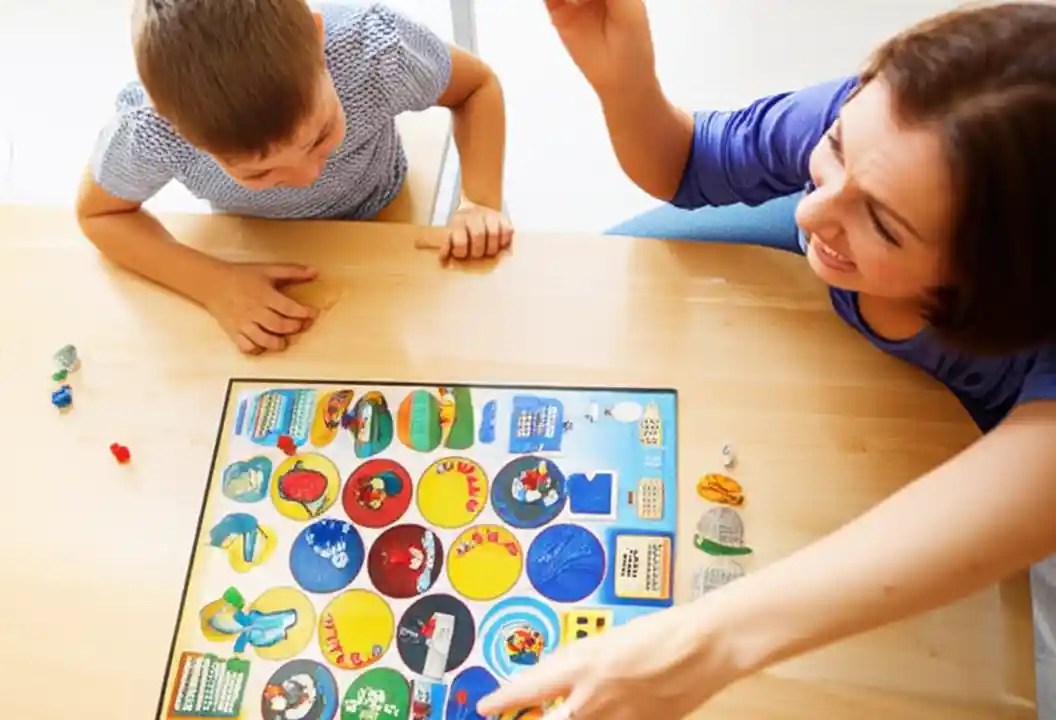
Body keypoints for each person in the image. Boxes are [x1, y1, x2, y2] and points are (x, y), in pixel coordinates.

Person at [479, 2, 1056, 718]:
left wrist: (701, 644)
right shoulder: (874, 129)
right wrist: (625, 80)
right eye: (837, 147)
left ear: (996, 281)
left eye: (882, 222)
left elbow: (1028, 491)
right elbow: (687, 164)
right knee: (624, 257)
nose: (810, 211)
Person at [76, 0, 510, 354]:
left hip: (381, 208)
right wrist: (211, 283)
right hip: (260, 243)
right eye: (261, 171)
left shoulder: (375, 50)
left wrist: (479, 201)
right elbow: (100, 215)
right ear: (172, 122)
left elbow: (477, 87)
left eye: (321, 135)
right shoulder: (153, 129)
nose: (307, 175)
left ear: (318, 37)